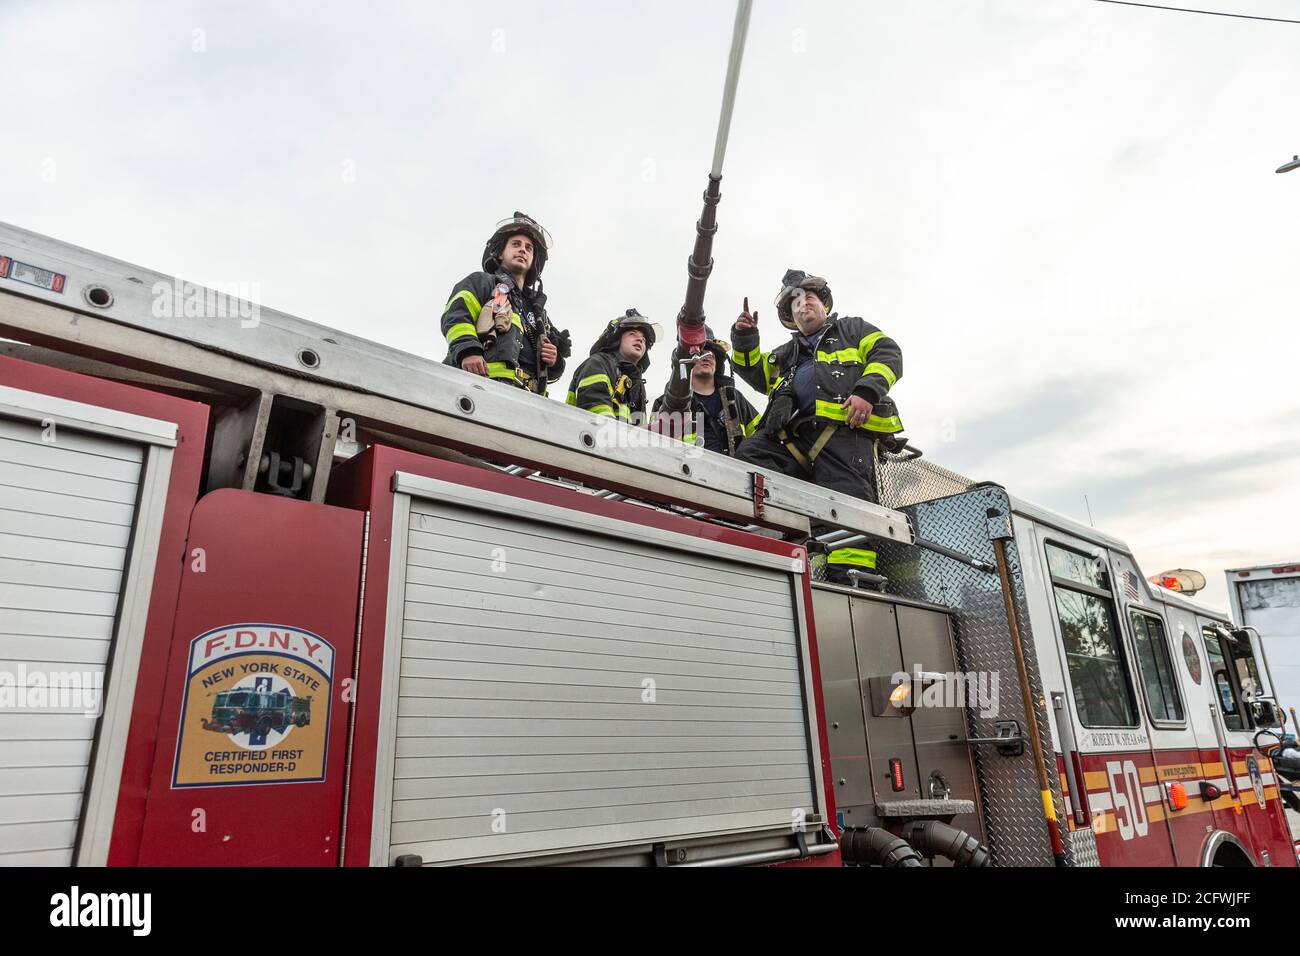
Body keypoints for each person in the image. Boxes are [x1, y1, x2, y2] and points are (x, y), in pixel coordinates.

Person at [731, 269, 905, 584]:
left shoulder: (852, 329)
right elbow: (754, 373)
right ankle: (793, 529)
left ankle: (853, 578)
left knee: (849, 504)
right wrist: (744, 339)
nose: (802, 304)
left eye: (808, 296)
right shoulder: (786, 353)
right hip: (794, 440)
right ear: (789, 315)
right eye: (794, 302)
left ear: (823, 303)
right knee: (750, 452)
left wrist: (865, 392)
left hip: (844, 431)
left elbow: (888, 353)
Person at [440, 212, 570, 395]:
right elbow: (456, 317)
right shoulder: (481, 282)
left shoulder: (538, 311)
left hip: (531, 399)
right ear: (500, 253)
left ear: (533, 261)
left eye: (529, 248)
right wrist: (468, 351)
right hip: (482, 386)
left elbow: (551, 371)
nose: (523, 250)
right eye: (516, 244)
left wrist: (554, 360)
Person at [652, 327, 760, 456]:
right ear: (685, 361)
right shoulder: (665, 403)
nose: (707, 357)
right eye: (701, 353)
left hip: (733, 472)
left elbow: (760, 437)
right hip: (686, 473)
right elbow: (655, 448)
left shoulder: (734, 398)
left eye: (711, 354)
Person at [567, 309, 657, 422]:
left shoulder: (637, 386)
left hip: (617, 438)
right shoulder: (597, 363)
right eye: (632, 334)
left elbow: (638, 429)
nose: (640, 340)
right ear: (616, 340)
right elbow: (596, 410)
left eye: (644, 340)